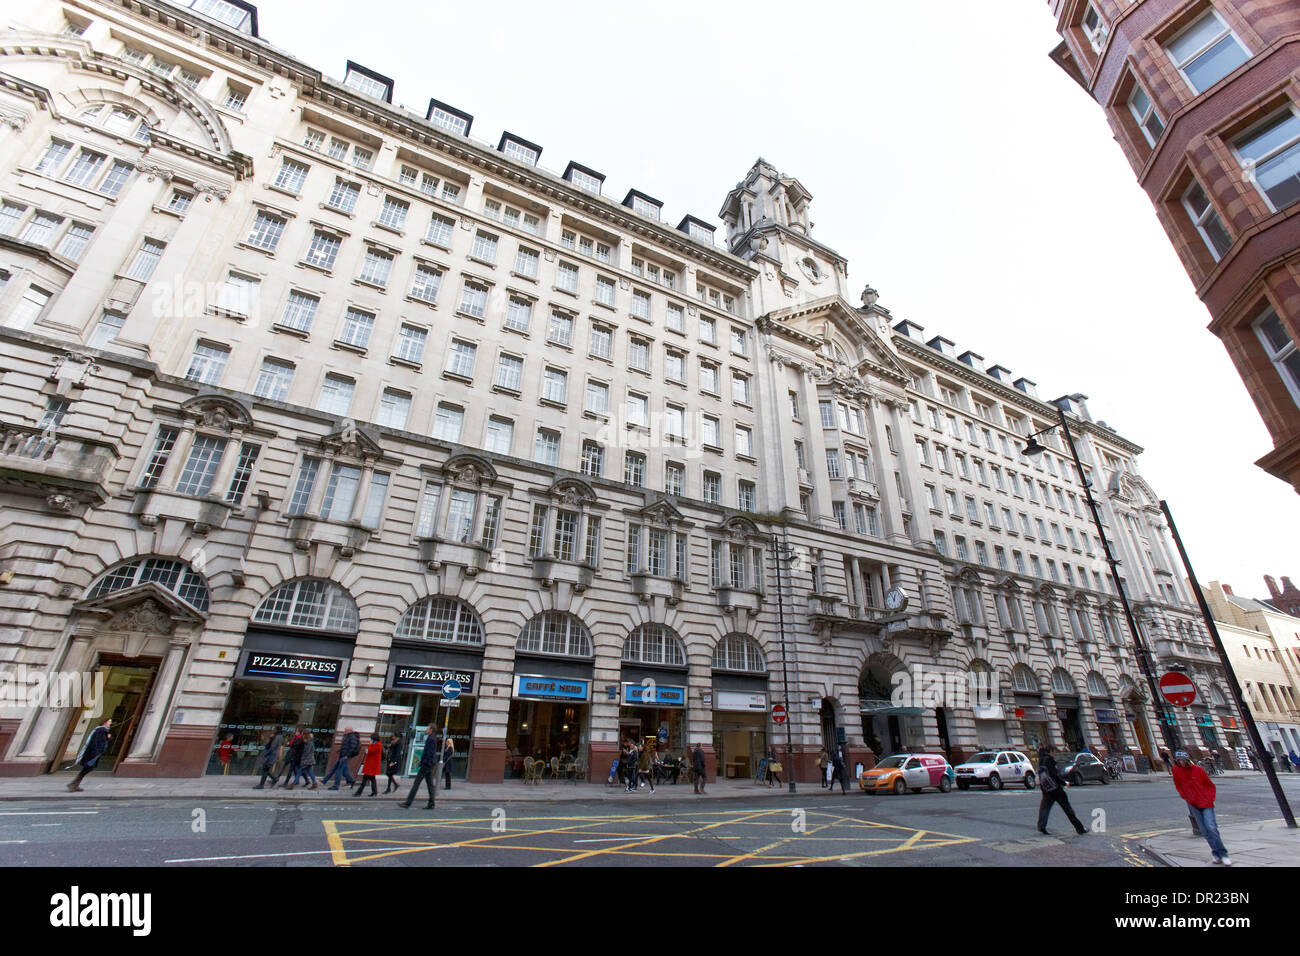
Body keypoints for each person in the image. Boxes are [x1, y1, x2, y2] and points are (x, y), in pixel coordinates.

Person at [1171, 750, 1232, 865]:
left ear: (1187, 760)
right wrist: (1185, 796)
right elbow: (1178, 784)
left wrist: (1209, 798)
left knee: (1211, 828)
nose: (1182, 762)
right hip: (1192, 803)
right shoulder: (1176, 770)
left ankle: (1223, 854)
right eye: (1179, 760)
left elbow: (1210, 785)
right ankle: (1216, 854)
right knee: (1205, 831)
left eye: (1183, 760)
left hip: (1206, 803)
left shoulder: (1198, 770)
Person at [1036, 745, 1087, 836]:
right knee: (1068, 809)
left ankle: (1041, 826)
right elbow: (1054, 775)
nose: (1054, 754)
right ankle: (1080, 828)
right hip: (1056, 789)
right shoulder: (1050, 760)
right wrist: (1063, 783)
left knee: (1045, 808)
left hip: (1047, 788)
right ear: (1051, 751)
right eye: (1054, 752)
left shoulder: (1041, 760)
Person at [67, 719, 112, 792]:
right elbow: (94, 741)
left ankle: (75, 784)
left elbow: (102, 741)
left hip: (95, 752)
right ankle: (73, 784)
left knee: (88, 768)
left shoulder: (103, 731)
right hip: (93, 752)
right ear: (105, 722)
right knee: (88, 767)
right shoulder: (100, 730)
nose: (110, 723)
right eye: (109, 721)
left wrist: (108, 737)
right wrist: (95, 752)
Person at [401, 727, 438, 809]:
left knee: (416, 783)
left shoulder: (431, 739)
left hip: (427, 764)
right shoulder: (432, 737)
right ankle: (431, 803)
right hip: (429, 764)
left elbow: (429, 753)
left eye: (428, 728)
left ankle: (408, 802)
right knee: (430, 784)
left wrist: (424, 762)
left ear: (431, 729)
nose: (426, 730)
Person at [354, 732, 382, 797]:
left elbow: (370, 751)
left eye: (371, 738)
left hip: (371, 765)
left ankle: (359, 793)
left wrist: (370, 745)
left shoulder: (377, 745)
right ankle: (374, 792)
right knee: (371, 779)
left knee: (365, 780)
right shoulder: (376, 744)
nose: (371, 739)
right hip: (370, 765)